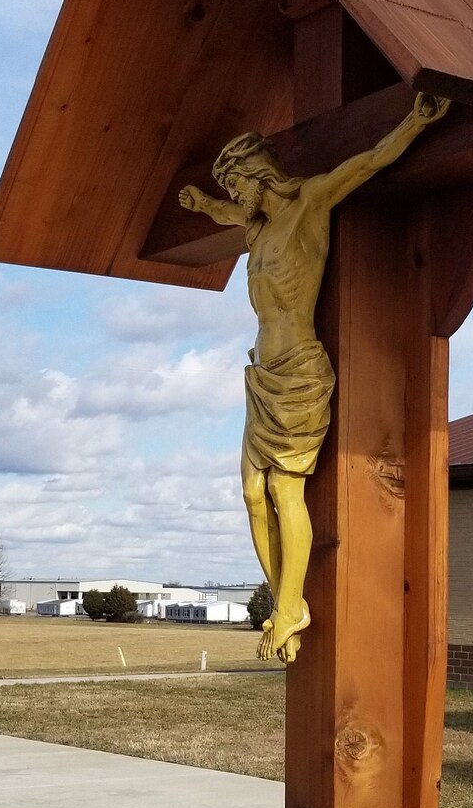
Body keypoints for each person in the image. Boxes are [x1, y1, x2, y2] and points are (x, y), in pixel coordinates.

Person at [179, 91, 450, 662]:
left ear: (258, 175)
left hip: (299, 370)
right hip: (262, 374)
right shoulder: (255, 228)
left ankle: (286, 608)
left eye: (238, 187)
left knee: (283, 488)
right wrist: (206, 205)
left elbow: (371, 160)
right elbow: (232, 215)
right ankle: (288, 601)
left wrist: (415, 123)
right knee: (252, 495)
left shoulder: (310, 202)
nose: (237, 200)